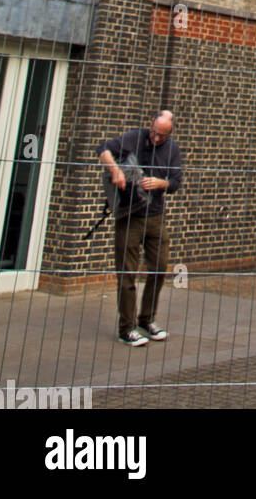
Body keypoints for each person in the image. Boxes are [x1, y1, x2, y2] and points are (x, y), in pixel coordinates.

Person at [97, 110, 184, 346]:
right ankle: (127, 328)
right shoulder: (135, 137)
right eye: (154, 133)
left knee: (159, 268)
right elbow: (103, 147)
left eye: (162, 136)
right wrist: (114, 169)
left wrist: (161, 183)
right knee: (127, 271)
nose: (156, 139)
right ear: (150, 125)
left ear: (170, 133)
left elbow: (176, 182)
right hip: (130, 216)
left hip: (155, 216)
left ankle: (147, 319)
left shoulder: (172, 149)